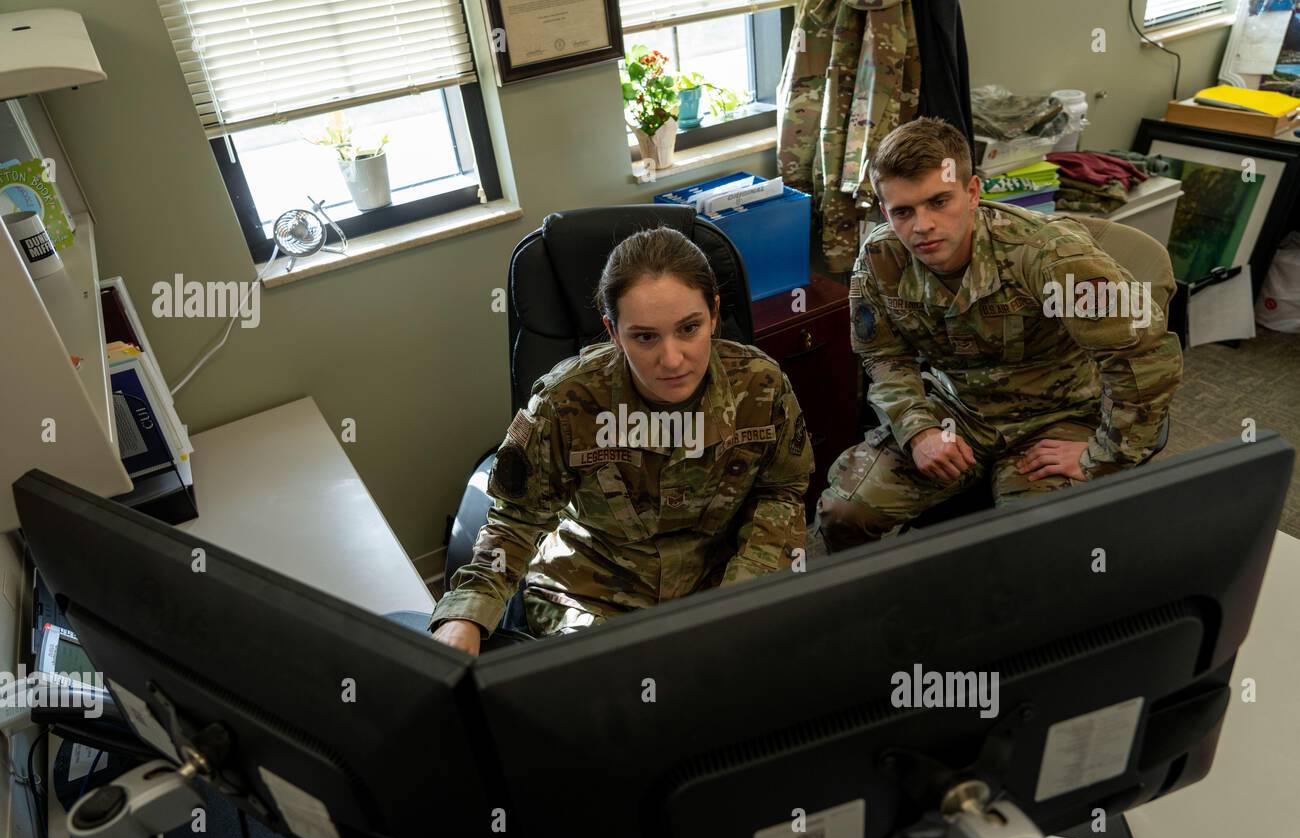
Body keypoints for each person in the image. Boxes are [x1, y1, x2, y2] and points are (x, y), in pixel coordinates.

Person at [430, 226, 814, 655]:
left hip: (717, 580)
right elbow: (516, 521)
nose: (671, 360)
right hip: (592, 592)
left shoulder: (761, 387)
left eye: (689, 328)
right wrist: (466, 614)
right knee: (611, 694)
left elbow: (780, 492)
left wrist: (742, 595)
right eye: (645, 336)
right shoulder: (566, 402)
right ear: (613, 331)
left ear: (714, 314)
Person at [817, 116, 1183, 551]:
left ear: (972, 193)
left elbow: (1145, 358)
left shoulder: (1048, 255)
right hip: (959, 411)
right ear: (885, 211)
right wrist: (918, 429)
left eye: (939, 201)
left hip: (1057, 417)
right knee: (845, 512)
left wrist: (1104, 455)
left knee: (1029, 545)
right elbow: (883, 355)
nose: (923, 226)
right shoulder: (881, 258)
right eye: (903, 211)